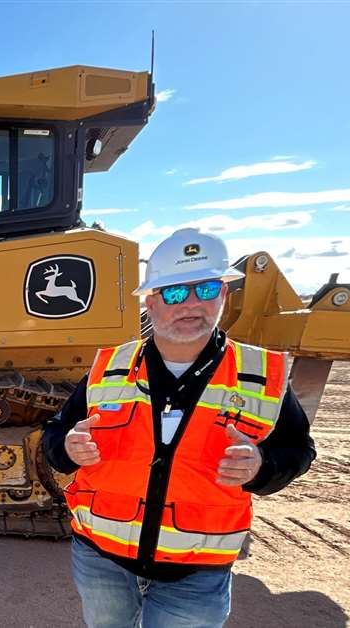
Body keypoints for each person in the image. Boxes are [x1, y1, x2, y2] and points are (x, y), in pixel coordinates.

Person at [41, 228, 316, 628]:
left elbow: (299, 450)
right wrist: (67, 446)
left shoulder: (259, 375)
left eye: (204, 290)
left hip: (196, 570)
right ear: (150, 303)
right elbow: (55, 434)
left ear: (223, 294)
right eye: (173, 293)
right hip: (101, 559)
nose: (189, 304)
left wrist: (262, 465)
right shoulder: (109, 369)